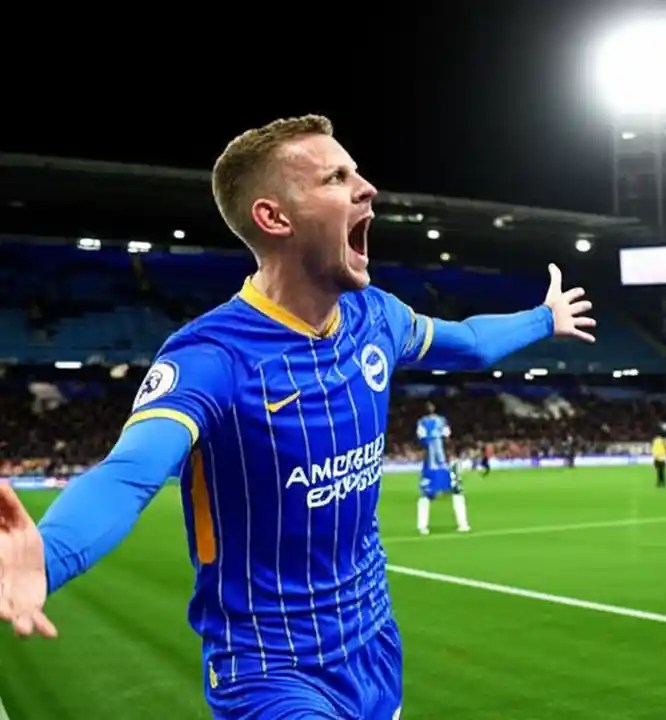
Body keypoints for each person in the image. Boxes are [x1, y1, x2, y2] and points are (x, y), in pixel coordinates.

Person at [0, 115, 596, 720]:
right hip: (268, 669)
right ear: (275, 218)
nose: (368, 189)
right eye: (337, 178)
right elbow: (130, 473)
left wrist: (544, 319)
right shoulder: (212, 356)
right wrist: (48, 556)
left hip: (373, 647)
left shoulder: (376, 317)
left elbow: (467, 342)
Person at [416, 403, 468, 535]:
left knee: (426, 495)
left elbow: (421, 440)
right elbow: (447, 438)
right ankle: (463, 524)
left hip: (431, 464)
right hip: (445, 463)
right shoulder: (442, 421)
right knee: (456, 492)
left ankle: (422, 526)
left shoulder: (422, 422)